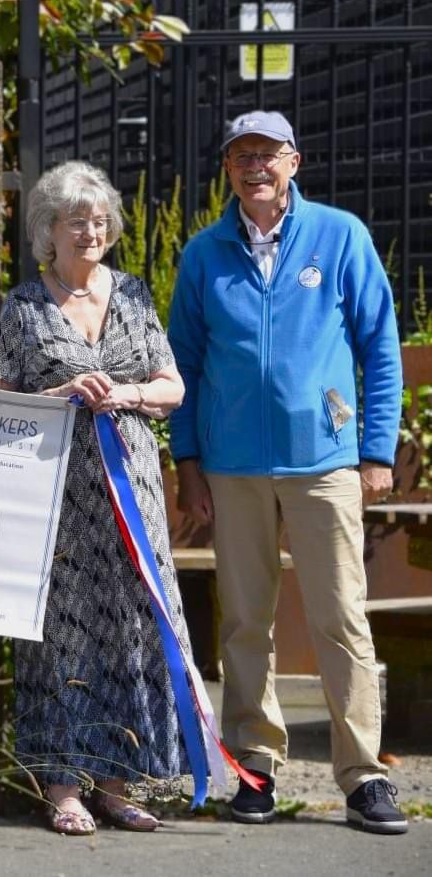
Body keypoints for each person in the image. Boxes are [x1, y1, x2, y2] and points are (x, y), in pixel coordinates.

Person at [168, 110, 407, 835]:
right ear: (229, 169)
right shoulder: (204, 253)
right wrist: (188, 463)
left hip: (324, 462)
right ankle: (254, 768)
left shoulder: (340, 237)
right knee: (244, 623)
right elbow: (183, 364)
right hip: (233, 467)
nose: (254, 167)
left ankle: (364, 777)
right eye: (241, 155)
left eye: (267, 155)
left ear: (293, 163)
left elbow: (380, 346)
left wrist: (374, 450)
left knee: (340, 620)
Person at [0, 160, 195, 835]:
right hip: (58, 500)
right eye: (78, 221)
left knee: (131, 631)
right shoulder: (24, 306)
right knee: (62, 636)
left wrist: (124, 392)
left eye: (101, 220)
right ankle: (63, 786)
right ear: (48, 229)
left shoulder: (132, 295)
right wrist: (59, 396)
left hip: (134, 497)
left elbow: (172, 387)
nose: (92, 231)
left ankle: (117, 781)